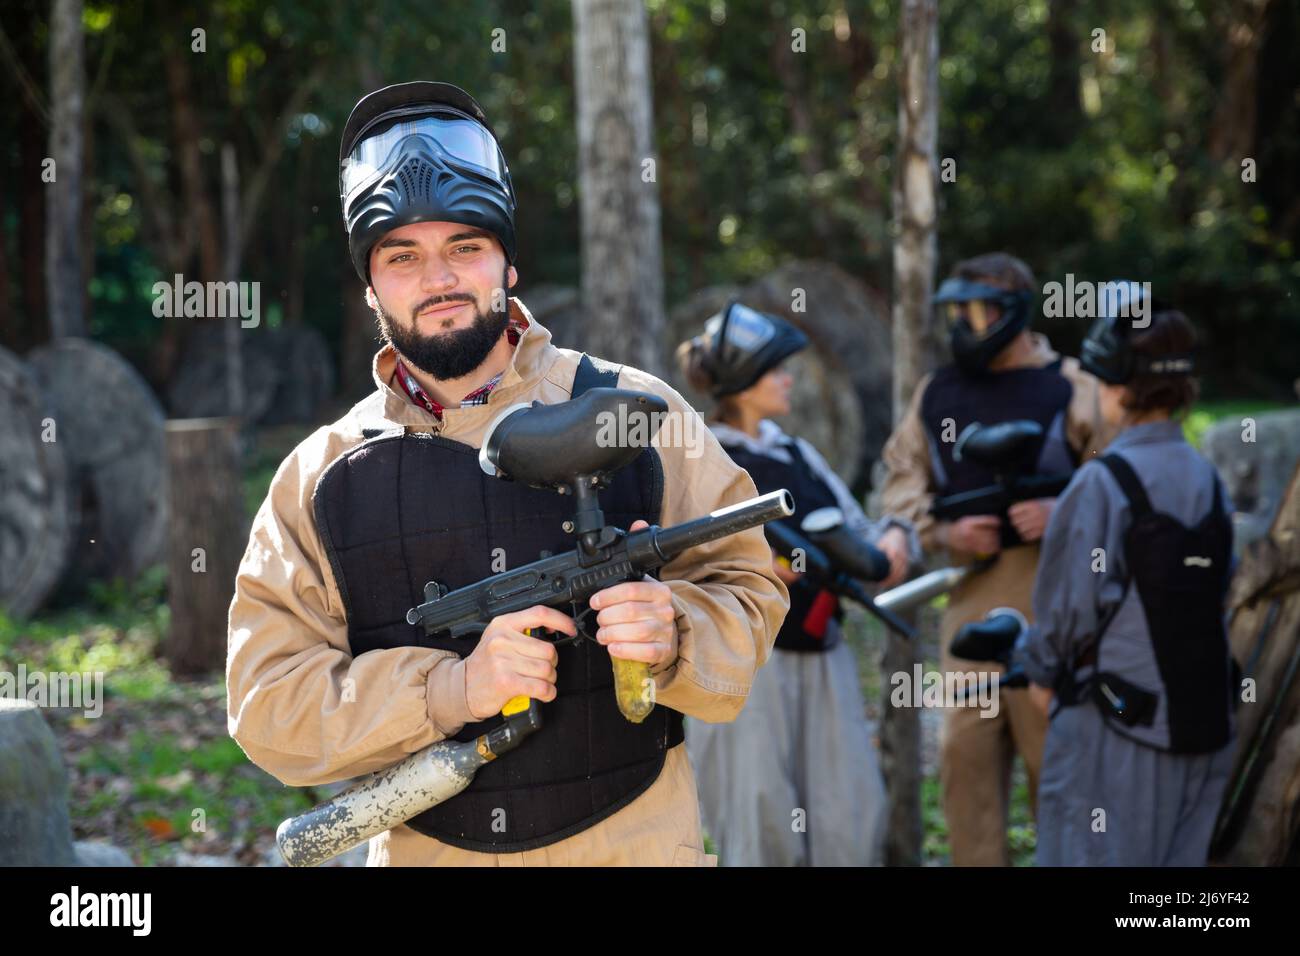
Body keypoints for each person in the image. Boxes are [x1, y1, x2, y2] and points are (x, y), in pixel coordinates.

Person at [225, 81, 789, 866]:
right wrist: (451, 691)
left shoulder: (634, 411)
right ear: (369, 287)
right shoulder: (320, 477)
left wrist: (675, 633)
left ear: (508, 264)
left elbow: (750, 582)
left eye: (465, 247)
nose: (439, 280)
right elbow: (266, 705)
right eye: (403, 257)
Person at [879, 252, 1114, 865]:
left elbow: (1120, 484)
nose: (966, 324)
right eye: (958, 310)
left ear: (1014, 311)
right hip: (972, 596)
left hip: (1058, 598)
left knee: (1057, 763)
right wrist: (945, 529)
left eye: (980, 310)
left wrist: (1064, 513)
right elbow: (902, 478)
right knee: (966, 766)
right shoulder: (939, 392)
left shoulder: (1073, 384)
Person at [676, 302, 917, 865]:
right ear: (744, 382)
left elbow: (857, 529)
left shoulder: (796, 452)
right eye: (776, 369)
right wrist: (764, 571)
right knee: (762, 819)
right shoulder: (701, 454)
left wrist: (894, 538)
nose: (788, 379)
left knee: (850, 813)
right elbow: (678, 555)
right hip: (750, 663)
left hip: (822, 651)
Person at [1015, 294, 1236, 866]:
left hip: (1115, 731)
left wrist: (1037, 671)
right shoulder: (1208, 480)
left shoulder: (1099, 485)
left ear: (1116, 388)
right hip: (1205, 723)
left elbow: (1064, 618)